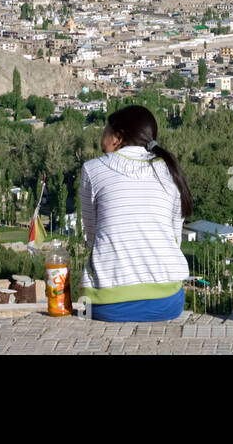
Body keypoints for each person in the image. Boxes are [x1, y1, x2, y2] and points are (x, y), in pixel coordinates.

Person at [79, 105, 192, 321]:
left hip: (106, 304)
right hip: (167, 301)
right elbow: (175, 239)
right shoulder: (171, 170)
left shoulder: (92, 169)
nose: (101, 138)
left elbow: (92, 237)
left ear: (117, 138)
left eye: (105, 130)